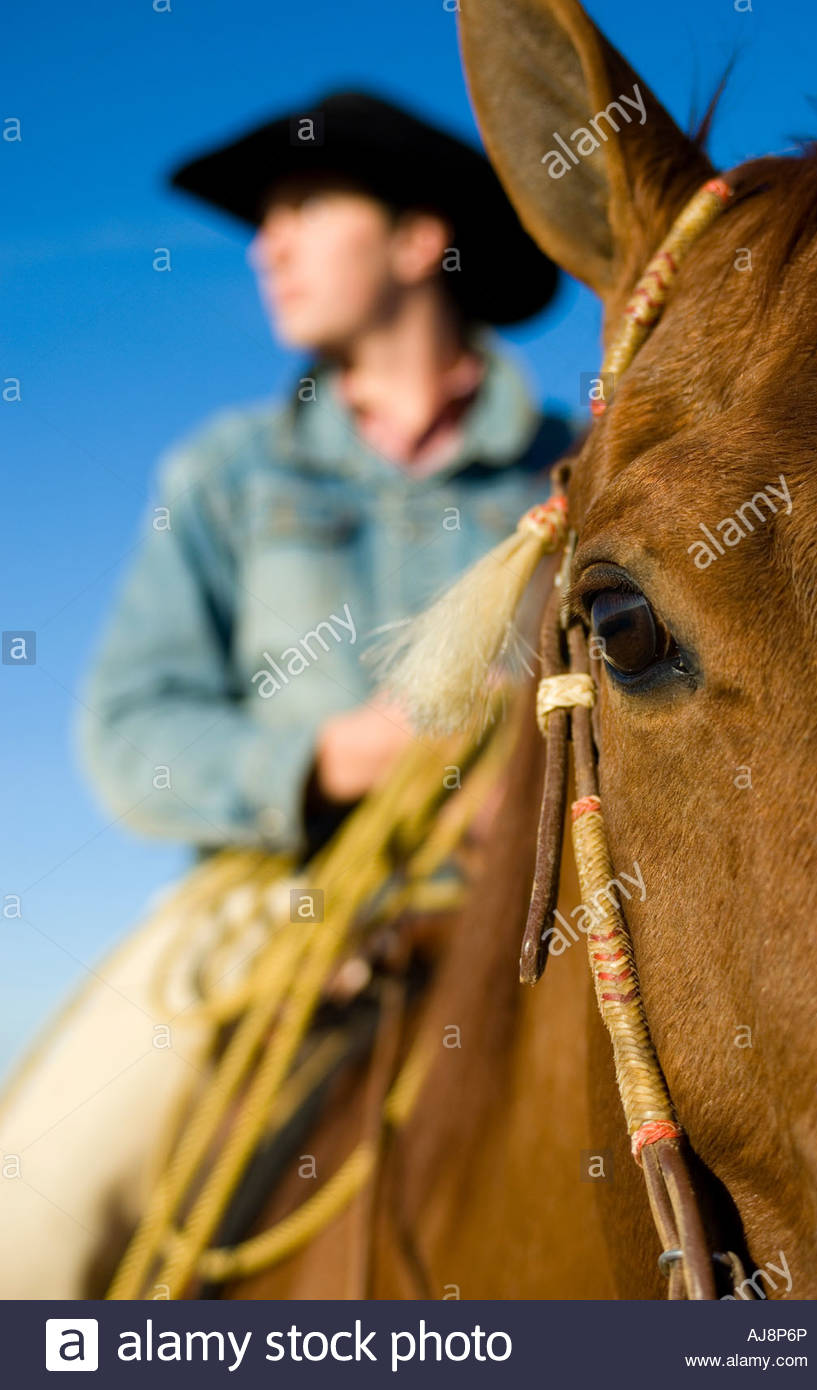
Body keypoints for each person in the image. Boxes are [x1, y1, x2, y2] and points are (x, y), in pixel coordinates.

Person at [77, 90, 573, 859]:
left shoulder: (575, 472)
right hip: (281, 903)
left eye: (304, 207)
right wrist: (331, 759)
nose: (264, 248)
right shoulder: (226, 474)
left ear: (415, 241)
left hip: (526, 902)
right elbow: (128, 731)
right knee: (150, 988)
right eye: (265, 223)